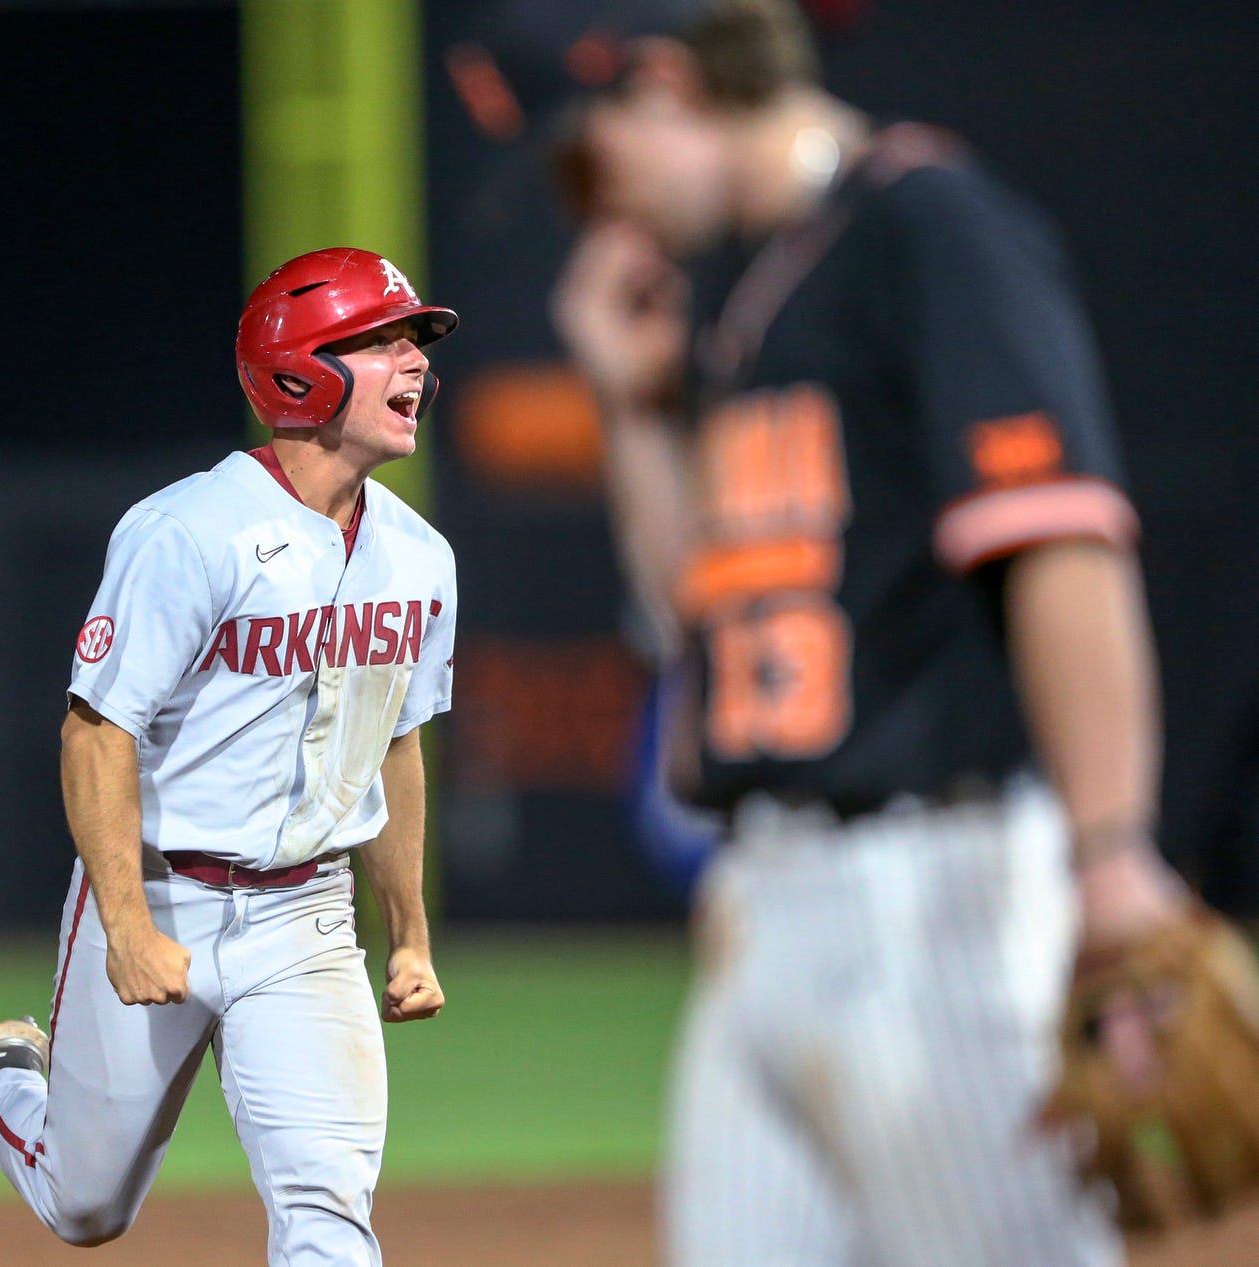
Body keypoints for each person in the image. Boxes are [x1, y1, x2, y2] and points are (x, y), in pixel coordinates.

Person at [548, 3, 1189, 1264]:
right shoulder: (750, 293)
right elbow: (703, 608)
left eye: (591, 162)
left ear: (666, 85)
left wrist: (1109, 852)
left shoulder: (926, 222)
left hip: (932, 891)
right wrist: (632, 407)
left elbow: (1057, 539)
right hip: (761, 899)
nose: (597, 211)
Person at [0, 247, 458, 1264]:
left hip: (306, 917)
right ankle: (0, 1092)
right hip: (163, 891)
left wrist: (410, 934)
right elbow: (95, 732)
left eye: (415, 340)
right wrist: (125, 925)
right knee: (86, 1205)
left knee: (327, 1207)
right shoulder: (188, 531)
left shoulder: (421, 558)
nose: (416, 362)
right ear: (299, 371)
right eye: (382, 341)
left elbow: (394, 743)